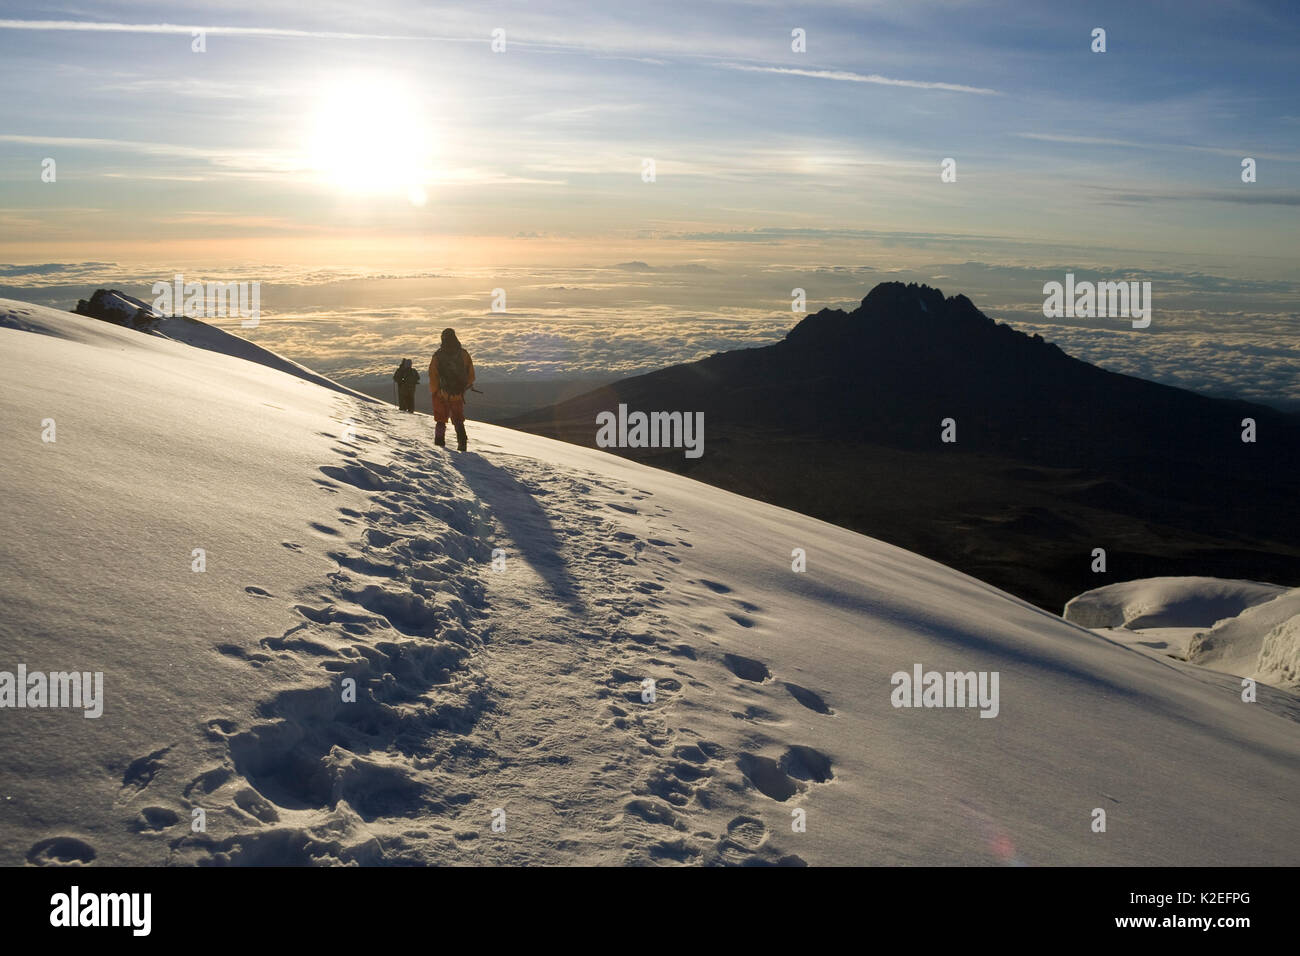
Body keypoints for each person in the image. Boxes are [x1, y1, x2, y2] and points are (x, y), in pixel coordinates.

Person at [429, 327, 475, 450]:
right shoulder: (463, 354)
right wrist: (463, 388)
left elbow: (433, 376)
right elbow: (470, 374)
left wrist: (436, 392)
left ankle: (439, 445)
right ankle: (462, 443)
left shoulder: (437, 356)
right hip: (458, 394)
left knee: (440, 419)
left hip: (441, 394)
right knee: (458, 419)